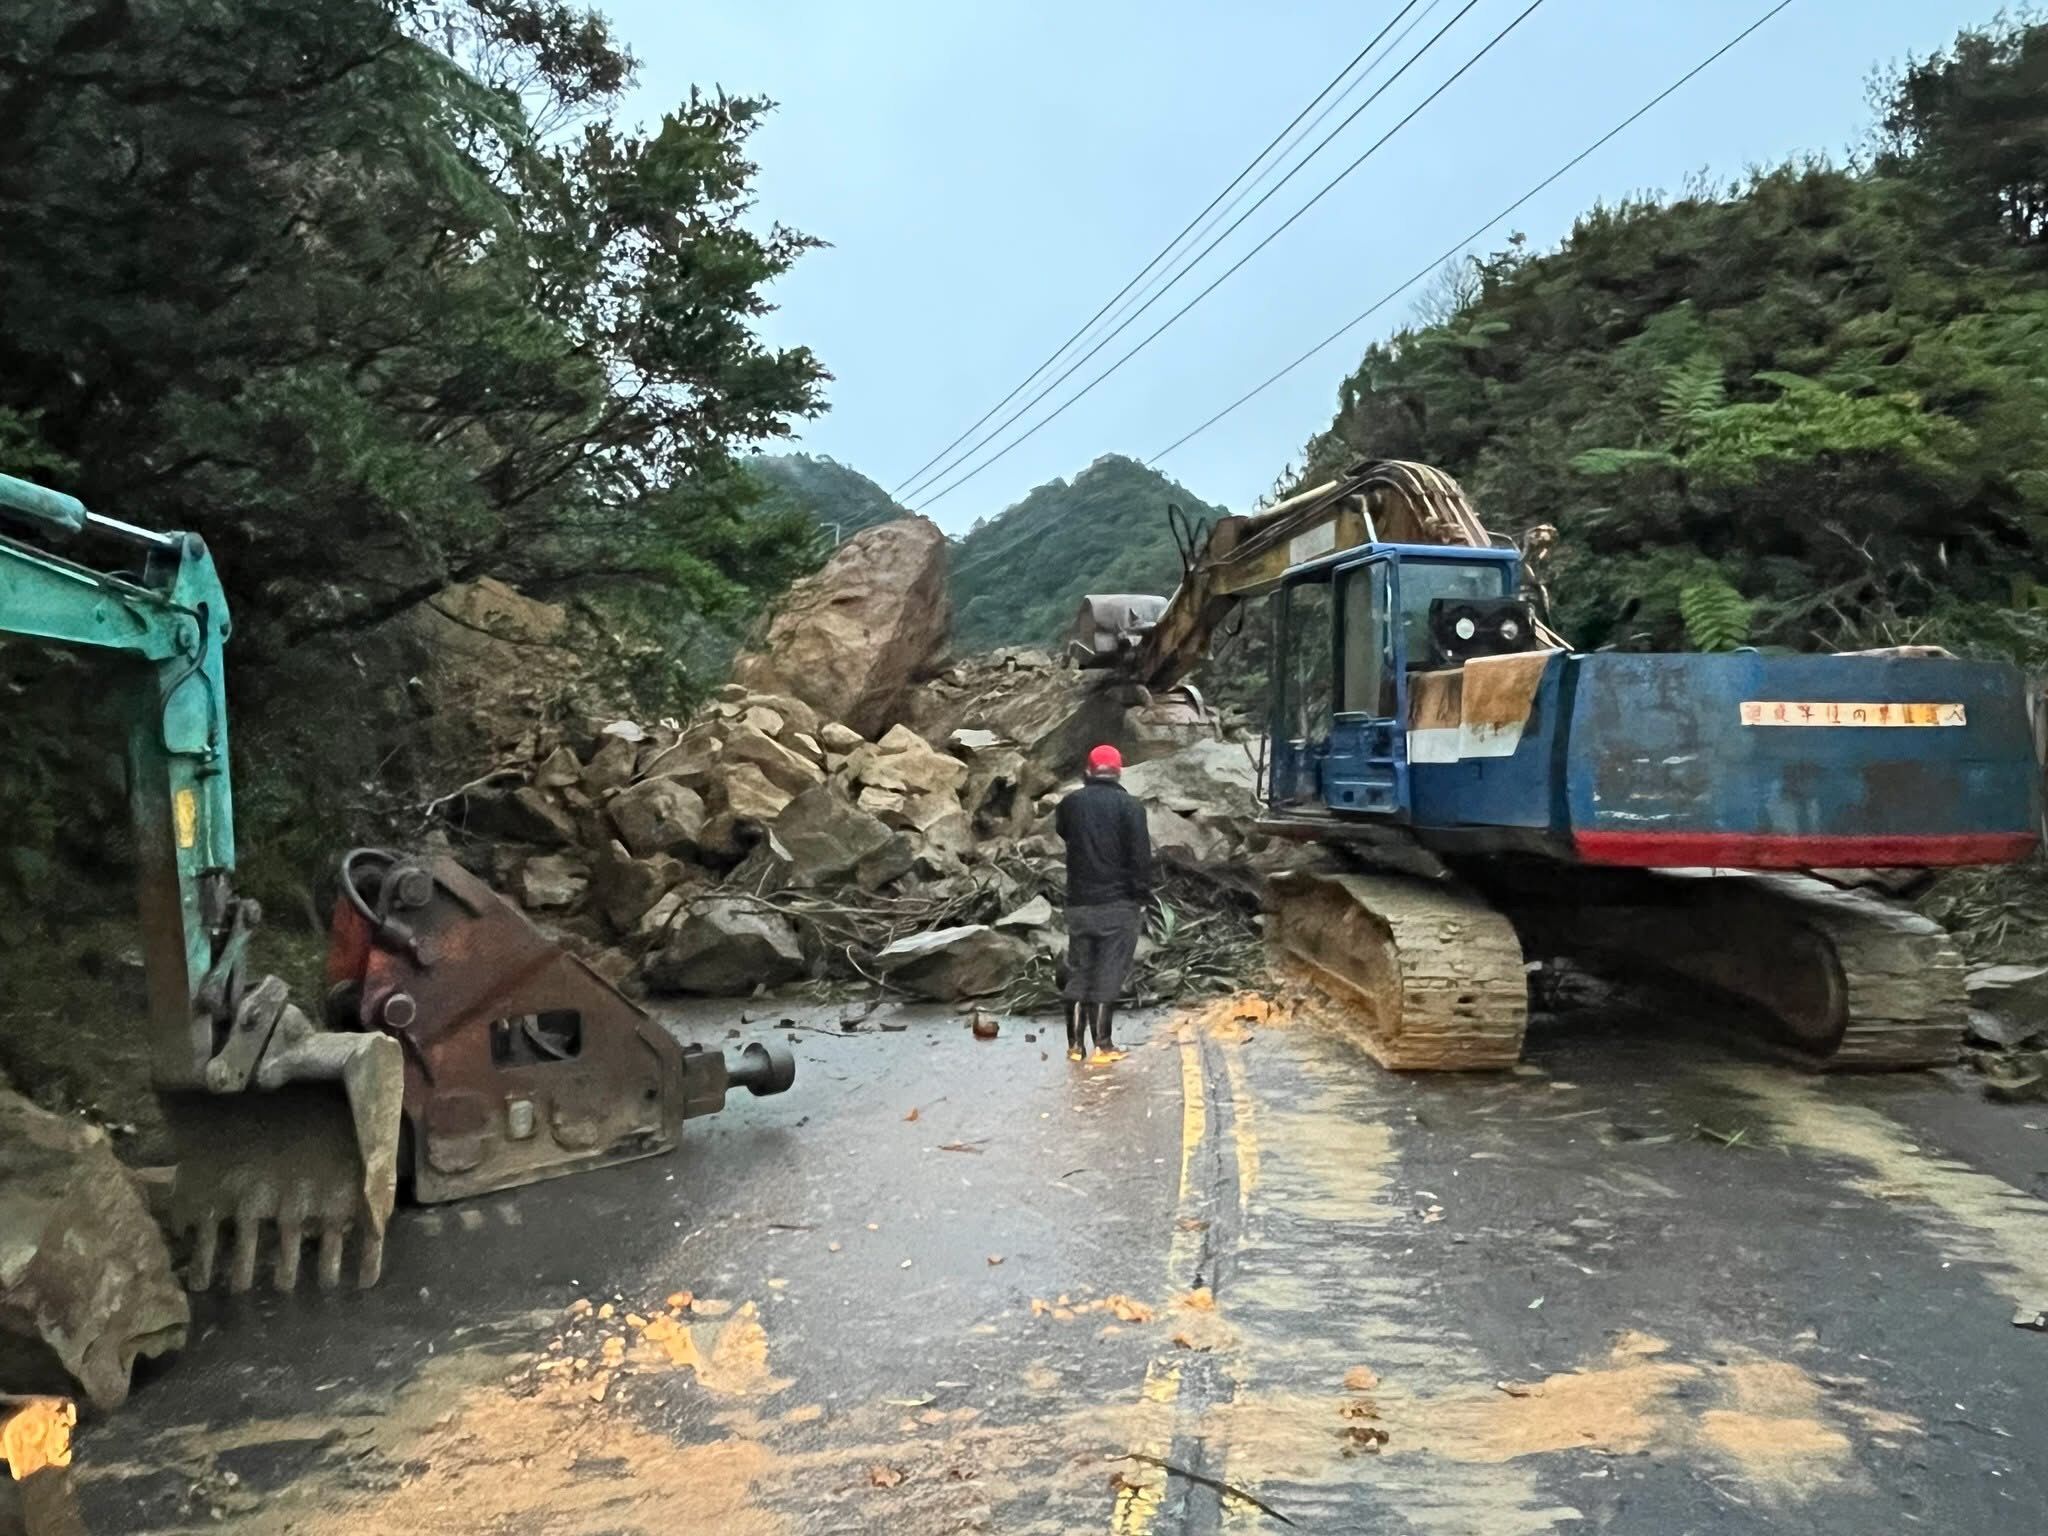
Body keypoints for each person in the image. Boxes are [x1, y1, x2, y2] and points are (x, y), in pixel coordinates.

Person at [1053, 743, 1152, 1062]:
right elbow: (1140, 858)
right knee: (1108, 972)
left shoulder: (1070, 804)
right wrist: (1141, 896)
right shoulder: (1131, 807)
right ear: (1119, 772)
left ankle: (1074, 1046)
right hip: (1118, 904)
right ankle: (1103, 1045)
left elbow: (1064, 833)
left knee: (1080, 970)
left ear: (1089, 770)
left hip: (1079, 903)